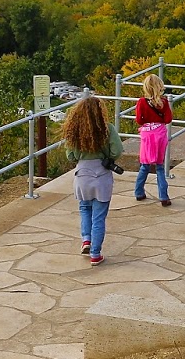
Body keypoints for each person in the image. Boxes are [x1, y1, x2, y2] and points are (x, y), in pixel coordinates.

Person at [62, 95, 123, 264]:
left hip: (82, 175)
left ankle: (86, 239)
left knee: (84, 208)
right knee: (99, 217)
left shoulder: (74, 131)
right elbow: (117, 151)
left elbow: (71, 156)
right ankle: (95, 253)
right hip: (101, 176)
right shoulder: (107, 129)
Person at [133, 73, 173, 205]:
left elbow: (139, 120)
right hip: (160, 134)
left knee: (145, 165)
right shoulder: (165, 102)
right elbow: (168, 119)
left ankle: (139, 192)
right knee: (160, 166)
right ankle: (164, 196)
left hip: (147, 136)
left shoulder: (141, 102)